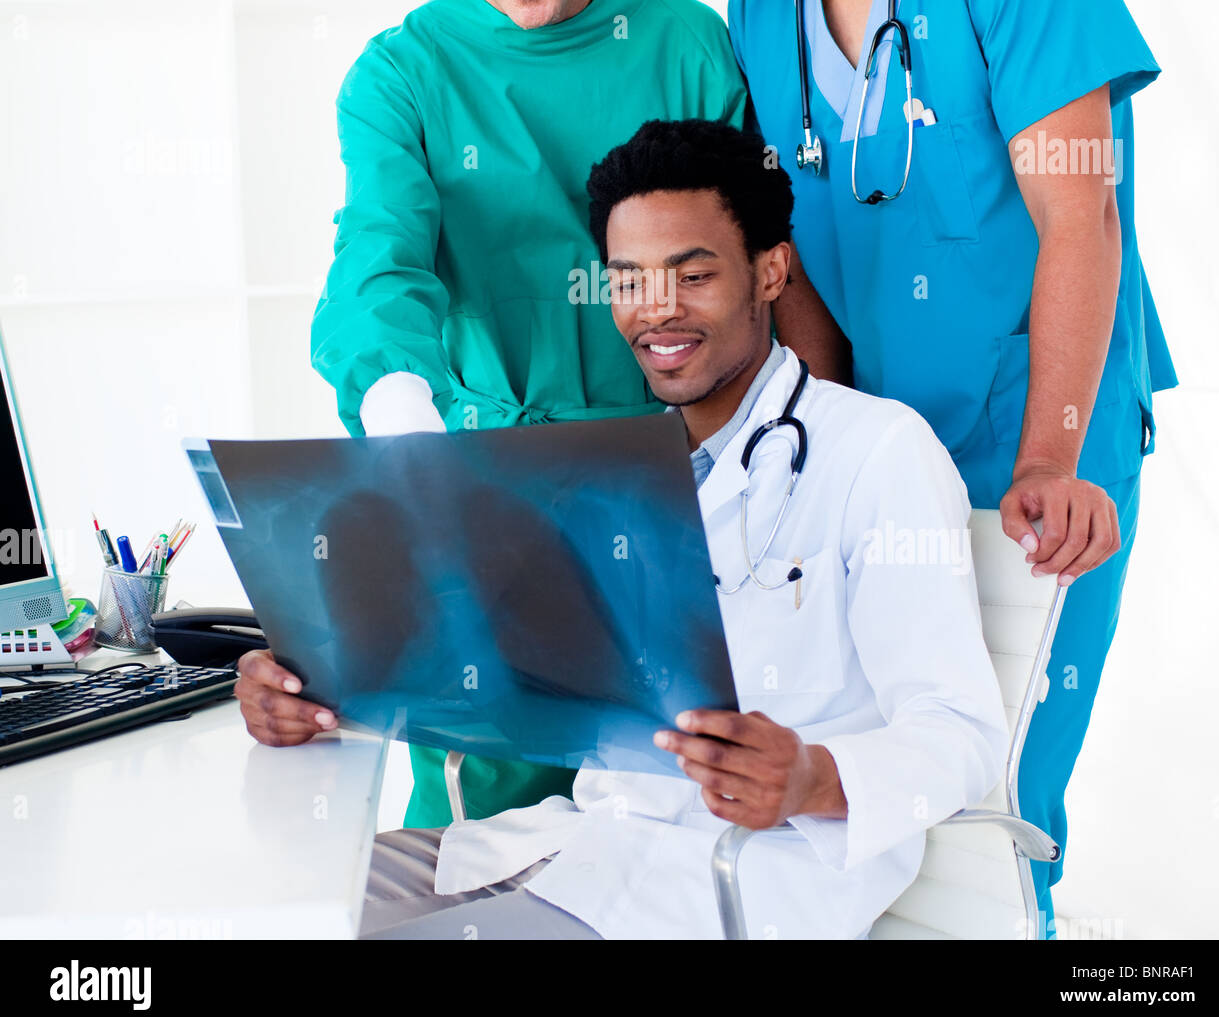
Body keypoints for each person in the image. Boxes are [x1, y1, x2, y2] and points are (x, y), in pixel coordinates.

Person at [669, 0, 1178, 934]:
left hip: (1038, 431)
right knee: (866, 791)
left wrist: (1055, 454)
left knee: (994, 799)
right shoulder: (758, 8)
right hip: (880, 454)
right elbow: (807, 273)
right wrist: (796, 458)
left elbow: (1079, 217)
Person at [325, 117, 1003, 939]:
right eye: (629, 279)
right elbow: (510, 677)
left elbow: (960, 736)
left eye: (692, 275)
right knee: (289, 901)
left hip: (735, 884)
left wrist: (811, 780)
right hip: (579, 845)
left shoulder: (876, 451)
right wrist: (325, 693)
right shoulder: (618, 471)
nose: (657, 312)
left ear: (769, 271)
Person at [307, 0, 763, 830]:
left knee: (669, 818)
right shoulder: (404, 76)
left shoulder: (684, 44)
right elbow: (379, 257)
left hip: (677, 496)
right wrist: (403, 421)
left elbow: (748, 272)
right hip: (488, 504)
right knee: (480, 844)